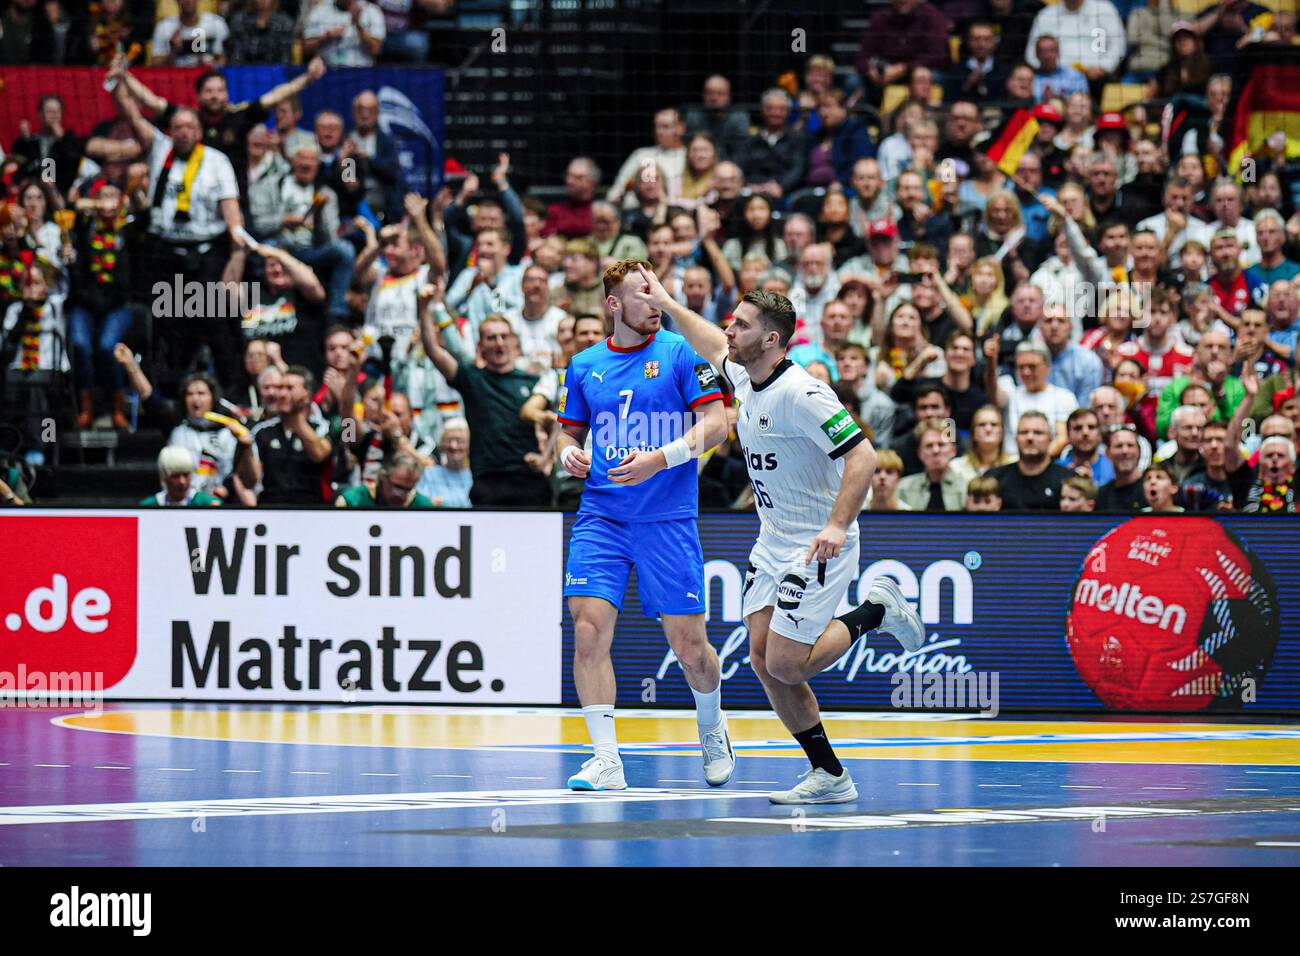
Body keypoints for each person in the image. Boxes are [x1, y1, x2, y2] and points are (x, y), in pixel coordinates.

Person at [647, 269, 924, 805]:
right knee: (760, 657)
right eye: (733, 322)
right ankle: (831, 777)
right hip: (771, 540)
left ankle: (876, 612)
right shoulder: (748, 374)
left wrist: (838, 526)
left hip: (815, 543)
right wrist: (666, 302)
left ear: (771, 339)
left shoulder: (803, 392)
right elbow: (708, 342)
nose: (730, 331)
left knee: (787, 663)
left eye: (742, 325)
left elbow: (863, 456)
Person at [551, 258, 731, 792]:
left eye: (658, 293)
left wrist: (662, 457)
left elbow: (718, 424)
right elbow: (566, 433)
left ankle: (711, 725)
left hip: (666, 518)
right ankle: (606, 758)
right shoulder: (584, 365)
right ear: (613, 304)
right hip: (601, 515)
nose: (654, 302)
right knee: (587, 632)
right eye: (642, 293)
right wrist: (568, 456)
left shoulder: (679, 352)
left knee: (691, 649)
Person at [988, 411, 1073, 510]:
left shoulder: (1069, 480)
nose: (1030, 438)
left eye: (1038, 433)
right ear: (1016, 438)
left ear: (1050, 438)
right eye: (1024, 432)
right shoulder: (994, 479)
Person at [897, 419, 970, 510]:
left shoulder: (967, 487)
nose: (935, 450)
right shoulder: (903, 487)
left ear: (953, 451)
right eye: (929, 446)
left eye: (941, 445)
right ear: (920, 453)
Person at [336, 451, 434, 508]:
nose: (401, 495)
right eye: (397, 487)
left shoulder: (423, 506)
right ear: (383, 477)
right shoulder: (354, 500)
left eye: (408, 489)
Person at [141, 446, 223, 507]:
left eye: (186, 475)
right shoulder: (149, 506)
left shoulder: (206, 503)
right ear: (164, 476)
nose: (182, 481)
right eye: (175, 476)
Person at [1095, 425, 1146, 510]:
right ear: (1107, 453)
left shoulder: (1152, 488)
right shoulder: (1102, 495)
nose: (1125, 451)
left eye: (1130, 445)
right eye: (1119, 446)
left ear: (1139, 451)